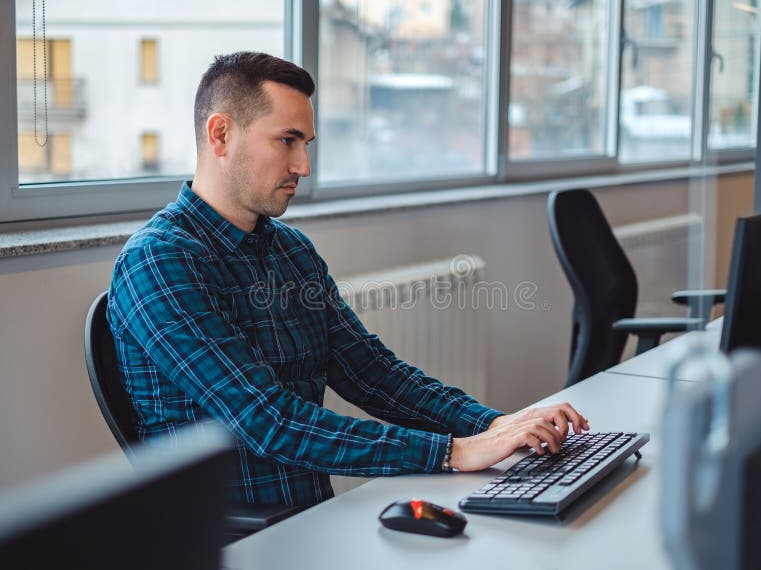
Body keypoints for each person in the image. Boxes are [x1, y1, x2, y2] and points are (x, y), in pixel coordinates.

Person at [107, 51, 590, 507]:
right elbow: (268, 420)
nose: (304, 167)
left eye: (306, 145)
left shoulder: (291, 251)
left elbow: (372, 372)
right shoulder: (159, 262)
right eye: (286, 140)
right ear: (220, 136)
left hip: (314, 517)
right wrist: (452, 453)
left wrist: (495, 426)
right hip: (233, 540)